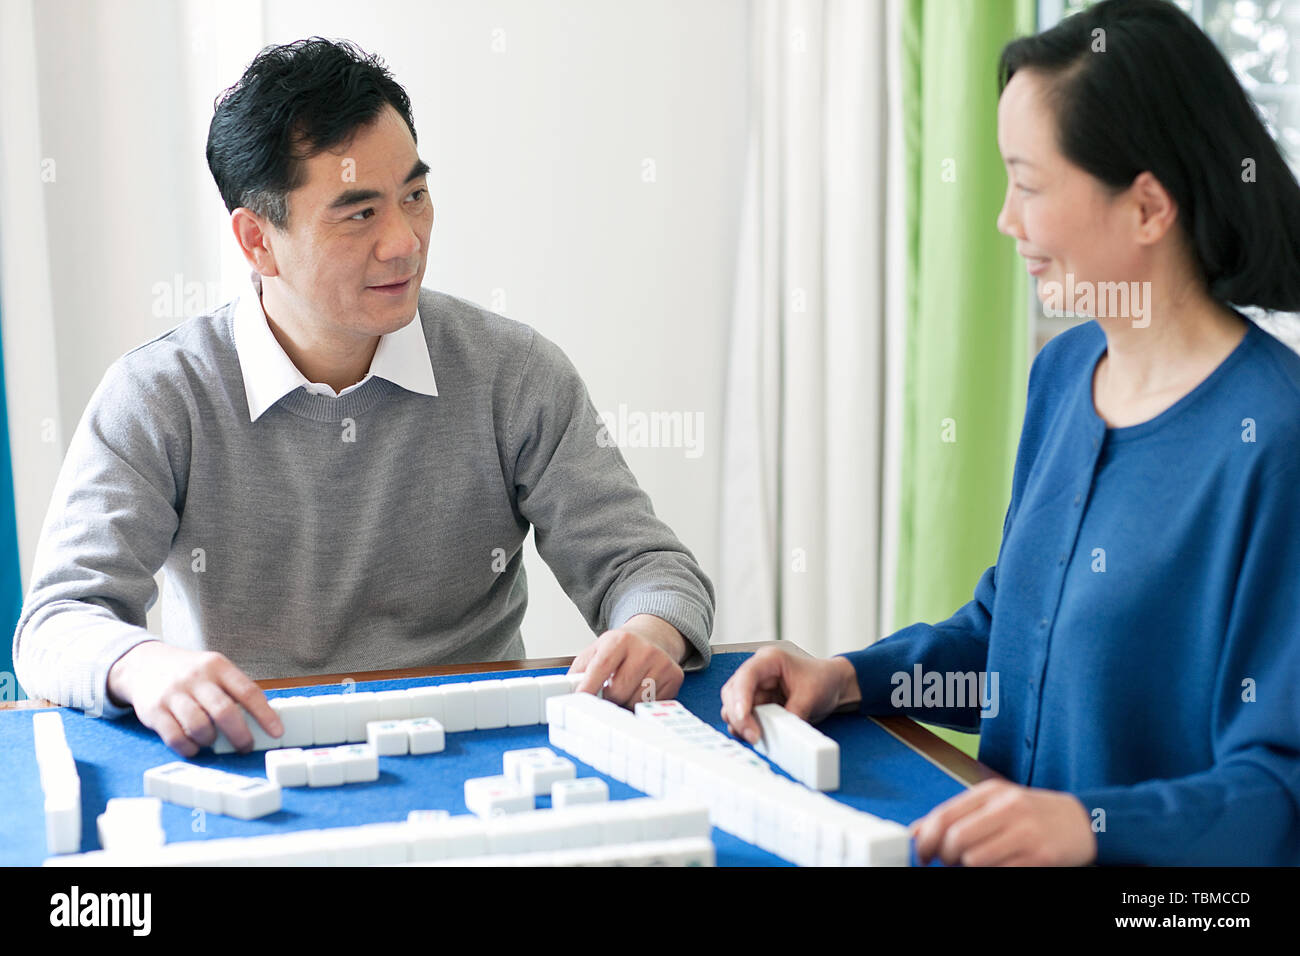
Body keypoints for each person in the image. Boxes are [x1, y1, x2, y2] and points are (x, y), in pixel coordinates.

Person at [13, 38, 714, 757]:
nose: (405, 243)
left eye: (414, 195)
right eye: (359, 214)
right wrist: (141, 663)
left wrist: (649, 632)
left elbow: (649, 570)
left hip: (479, 755)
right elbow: (57, 622)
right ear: (257, 241)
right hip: (252, 756)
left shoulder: (513, 372)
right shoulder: (160, 396)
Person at [721, 0, 1300, 866]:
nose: (1005, 219)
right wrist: (848, 677)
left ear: (1147, 208)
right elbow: (1011, 637)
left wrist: (1087, 825)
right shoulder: (1064, 377)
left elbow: (1278, 791)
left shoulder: (1274, 439)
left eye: (1028, 185)